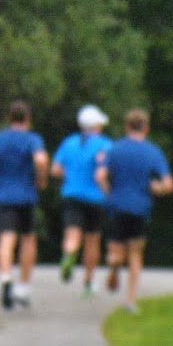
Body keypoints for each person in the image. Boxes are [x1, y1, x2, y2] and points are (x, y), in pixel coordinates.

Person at [95, 108, 173, 314]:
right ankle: (130, 301)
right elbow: (168, 185)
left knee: (115, 250)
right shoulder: (153, 152)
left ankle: (113, 268)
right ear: (146, 128)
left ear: (126, 127)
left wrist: (108, 194)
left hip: (117, 205)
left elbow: (100, 175)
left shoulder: (114, 149)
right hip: (140, 208)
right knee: (135, 253)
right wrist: (153, 187)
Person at [0, 100, 48, 311]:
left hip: (4, 196)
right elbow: (41, 160)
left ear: (9, 119)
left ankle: (6, 277)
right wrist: (41, 178)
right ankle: (24, 286)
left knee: (6, 238)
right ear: (28, 119)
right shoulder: (32, 139)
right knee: (28, 239)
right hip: (26, 195)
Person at [50, 104, 112, 296]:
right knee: (92, 240)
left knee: (72, 235)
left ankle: (68, 256)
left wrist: (70, 174)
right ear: (96, 126)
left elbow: (55, 170)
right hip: (95, 198)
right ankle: (88, 281)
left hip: (71, 194)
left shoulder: (69, 143)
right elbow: (103, 171)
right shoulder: (105, 144)